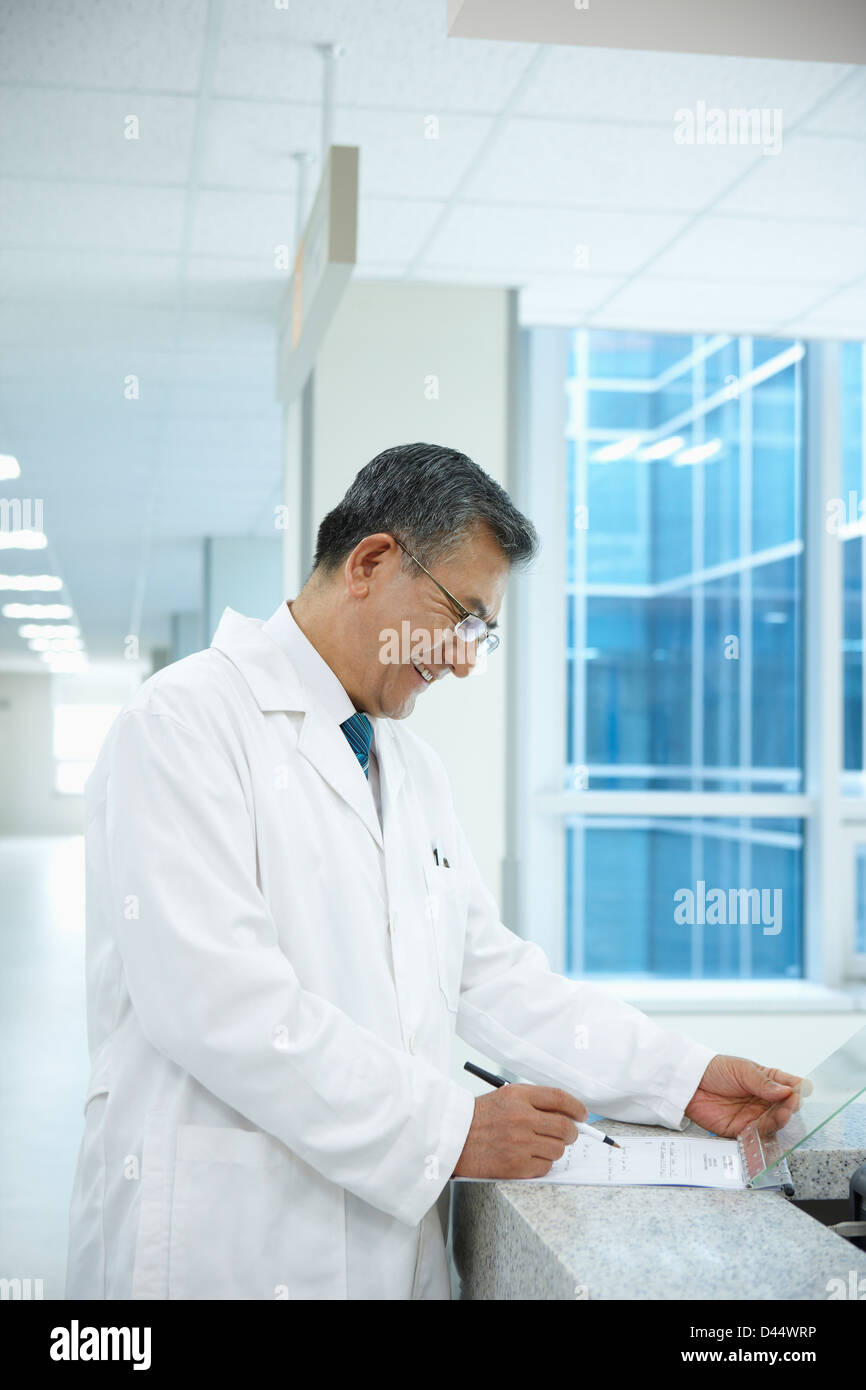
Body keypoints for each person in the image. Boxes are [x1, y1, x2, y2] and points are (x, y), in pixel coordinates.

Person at [65, 442, 802, 1301]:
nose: (462, 659)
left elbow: (488, 975)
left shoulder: (408, 767)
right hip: (223, 1247)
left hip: (378, 1250)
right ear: (371, 562)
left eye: (480, 633)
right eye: (459, 618)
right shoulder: (183, 724)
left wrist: (684, 1077)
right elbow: (215, 1003)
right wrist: (449, 1127)